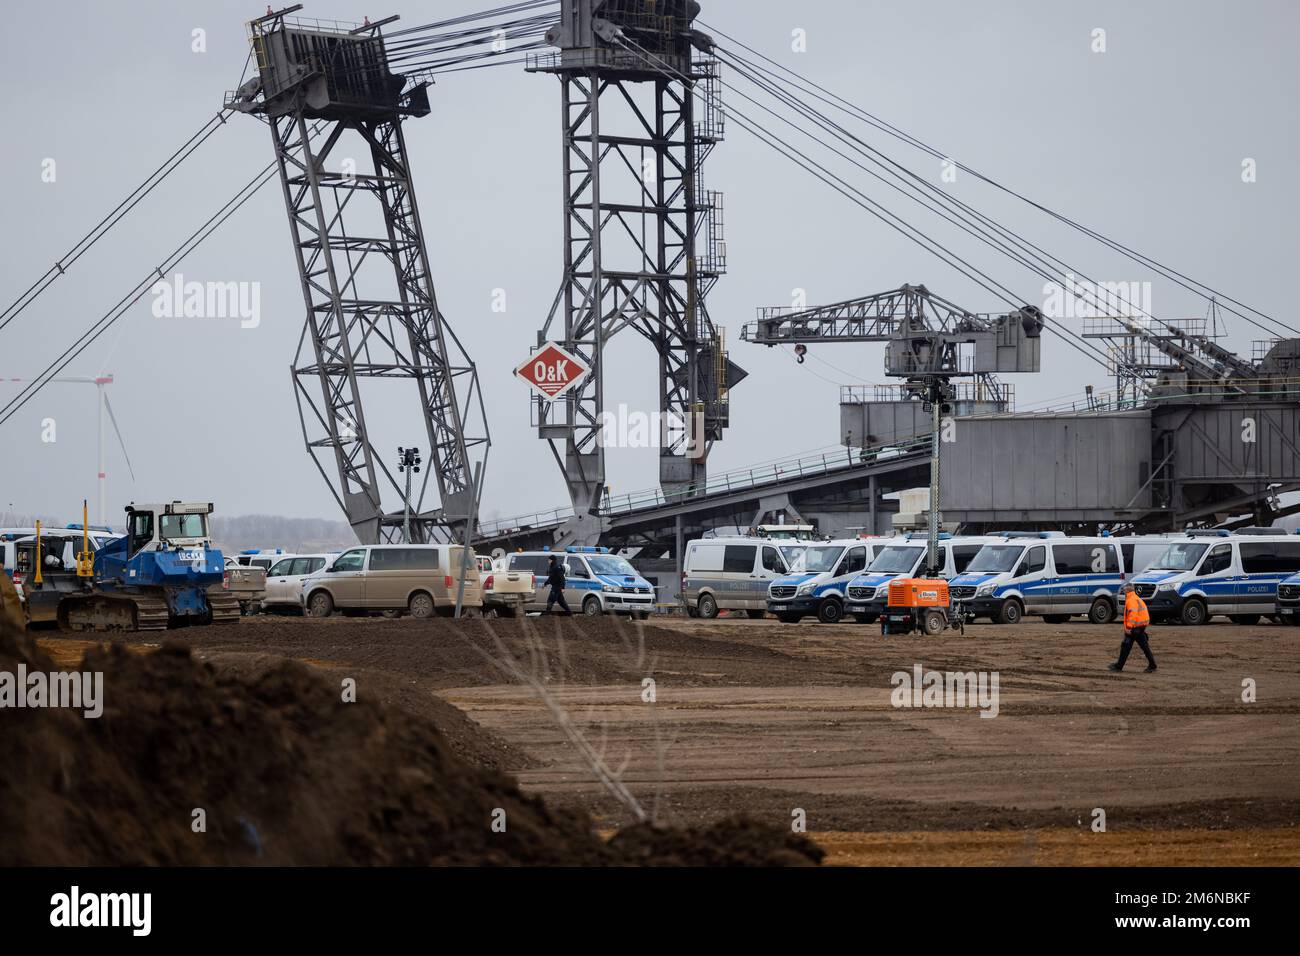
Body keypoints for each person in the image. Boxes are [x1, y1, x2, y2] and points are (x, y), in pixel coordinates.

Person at [1110, 583, 1156, 673]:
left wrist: (1128, 628)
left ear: (1128, 590)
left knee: (1126, 646)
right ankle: (1152, 665)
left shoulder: (1131, 600)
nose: (1123, 590)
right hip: (1140, 627)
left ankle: (1119, 666)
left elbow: (1133, 614)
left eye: (1124, 589)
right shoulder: (1135, 598)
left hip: (1135, 628)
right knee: (1144, 646)